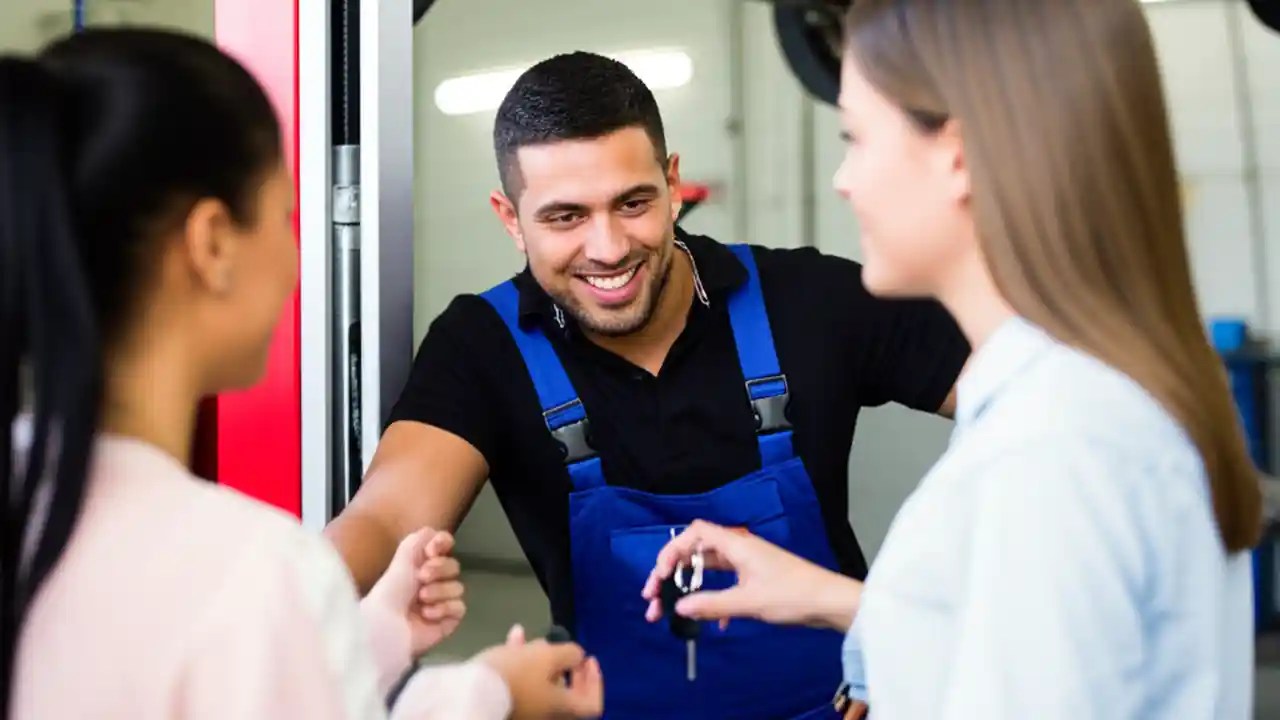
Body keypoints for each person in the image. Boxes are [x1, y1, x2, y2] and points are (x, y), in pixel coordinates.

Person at [643, 0, 1264, 718]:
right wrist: (823, 598)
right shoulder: (1086, 400)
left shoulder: (1050, 452)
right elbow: (1024, 650)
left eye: (857, 137)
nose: (845, 180)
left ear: (958, 156)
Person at [325, 49, 970, 717]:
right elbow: (388, 516)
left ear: (672, 182)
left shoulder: (807, 300)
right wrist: (276, 611)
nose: (607, 248)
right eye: (565, 217)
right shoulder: (483, 347)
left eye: (632, 203)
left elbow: (1028, 405)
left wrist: (915, 598)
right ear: (510, 218)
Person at [0, 28, 602, 720]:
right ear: (213, 244)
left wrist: (366, 635)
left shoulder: (41, 512)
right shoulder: (248, 570)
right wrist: (492, 694)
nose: (294, 265)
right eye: (285, 217)